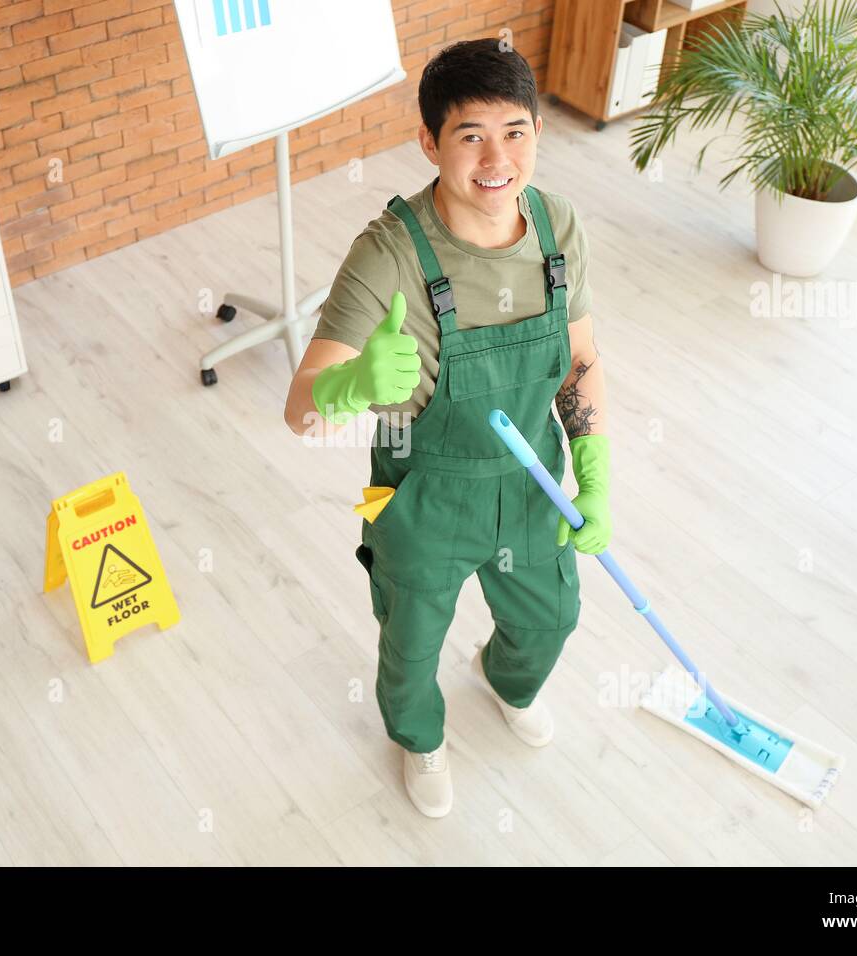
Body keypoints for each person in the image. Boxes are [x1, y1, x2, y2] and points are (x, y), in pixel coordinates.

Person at [283, 38, 610, 818]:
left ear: (537, 130)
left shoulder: (557, 226)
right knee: (410, 642)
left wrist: (594, 474)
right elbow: (299, 409)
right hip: (421, 491)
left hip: (531, 479)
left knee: (551, 615)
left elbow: (581, 361)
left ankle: (504, 679)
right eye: (470, 135)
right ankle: (420, 739)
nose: (497, 158)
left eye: (516, 131)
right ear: (429, 141)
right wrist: (355, 382)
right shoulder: (387, 253)